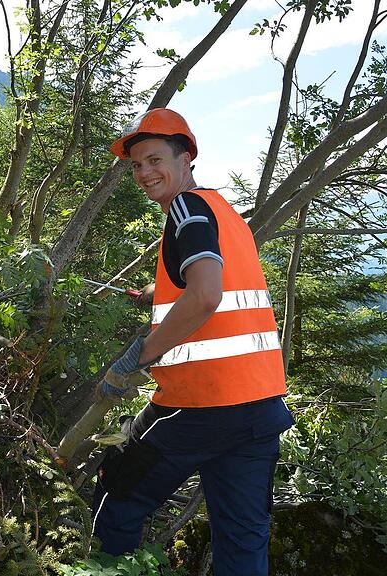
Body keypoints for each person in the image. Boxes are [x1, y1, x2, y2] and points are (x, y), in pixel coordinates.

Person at [91, 108, 294, 575]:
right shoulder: (226, 213)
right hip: (259, 408)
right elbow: (210, 285)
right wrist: (156, 293)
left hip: (199, 405)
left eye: (155, 160)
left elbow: (205, 296)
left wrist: (138, 357)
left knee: (116, 495)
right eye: (137, 165)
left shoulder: (185, 207)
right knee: (242, 543)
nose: (144, 173)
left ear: (186, 161)